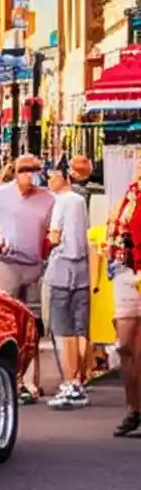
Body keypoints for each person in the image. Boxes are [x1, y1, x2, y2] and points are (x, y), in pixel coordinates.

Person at [0, 154, 55, 404]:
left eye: (33, 170)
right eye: (24, 170)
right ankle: (8, 379)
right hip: (7, 265)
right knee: (5, 324)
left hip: (35, 267)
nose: (28, 174)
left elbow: (53, 231)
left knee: (32, 326)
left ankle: (30, 382)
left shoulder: (48, 199)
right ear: (15, 171)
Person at [44, 169, 91, 410]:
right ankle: (80, 380)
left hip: (62, 268)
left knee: (64, 329)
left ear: (65, 177)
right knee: (81, 328)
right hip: (82, 269)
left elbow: (54, 236)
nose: (48, 180)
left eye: (52, 175)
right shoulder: (81, 201)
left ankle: (70, 382)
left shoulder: (61, 201)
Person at [104, 156, 141, 436]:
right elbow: (112, 232)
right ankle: (133, 408)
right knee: (125, 345)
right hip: (126, 273)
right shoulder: (128, 196)